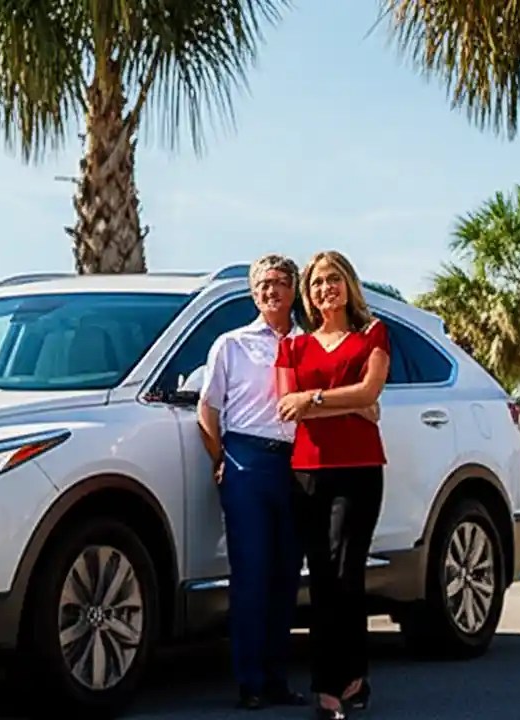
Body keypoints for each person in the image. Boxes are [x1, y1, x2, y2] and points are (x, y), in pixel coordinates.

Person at [196, 254, 377, 710]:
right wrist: (221, 459)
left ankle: (279, 679)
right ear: (252, 292)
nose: (269, 290)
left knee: (287, 575)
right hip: (248, 461)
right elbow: (207, 408)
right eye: (261, 284)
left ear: (294, 289)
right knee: (252, 571)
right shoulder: (231, 344)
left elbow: (357, 397)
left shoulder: (309, 343)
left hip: (299, 466)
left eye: (278, 282)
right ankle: (250, 681)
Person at [274, 250, 390, 719]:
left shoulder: (372, 334)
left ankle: (334, 684)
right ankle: (348, 677)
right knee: (321, 577)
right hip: (307, 470)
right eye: (318, 282)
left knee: (346, 572)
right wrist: (349, 403)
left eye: (334, 279)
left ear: (349, 285)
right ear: (309, 293)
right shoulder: (293, 348)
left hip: (359, 468)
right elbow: (285, 405)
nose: (326, 288)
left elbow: (370, 392)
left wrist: (314, 398)